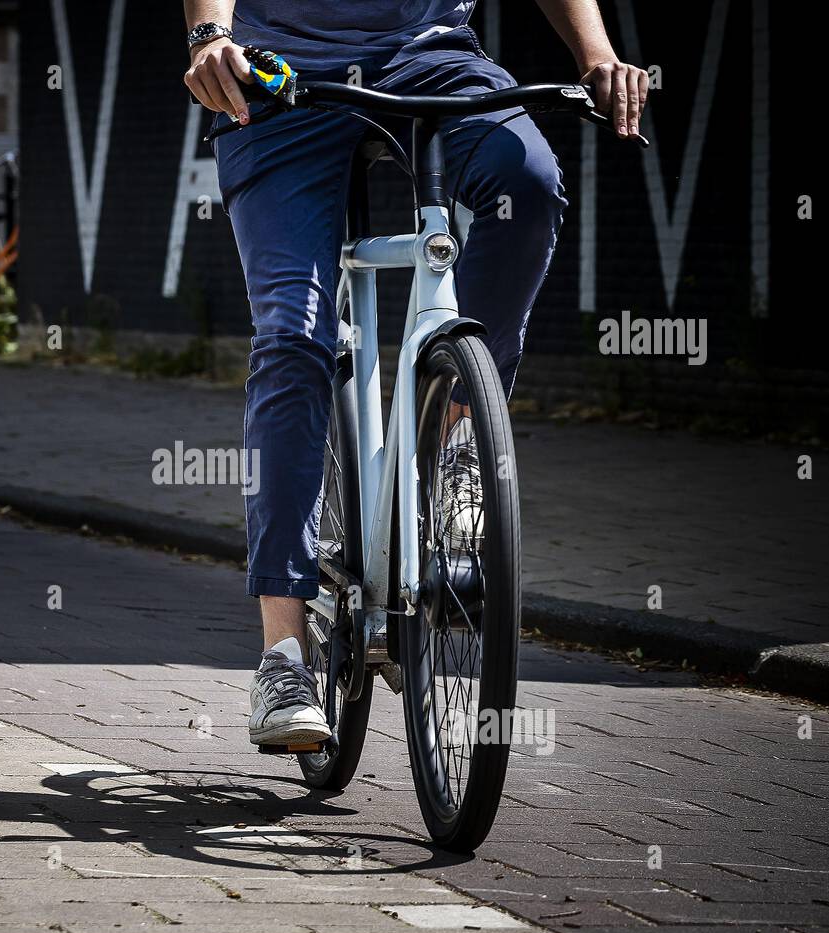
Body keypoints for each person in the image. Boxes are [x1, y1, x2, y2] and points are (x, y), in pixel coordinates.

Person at [181, 1, 648, 748]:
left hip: (429, 60)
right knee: (294, 337)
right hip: (277, 77)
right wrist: (211, 36)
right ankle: (283, 654)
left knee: (525, 184)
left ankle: (456, 445)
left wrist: (595, 54)